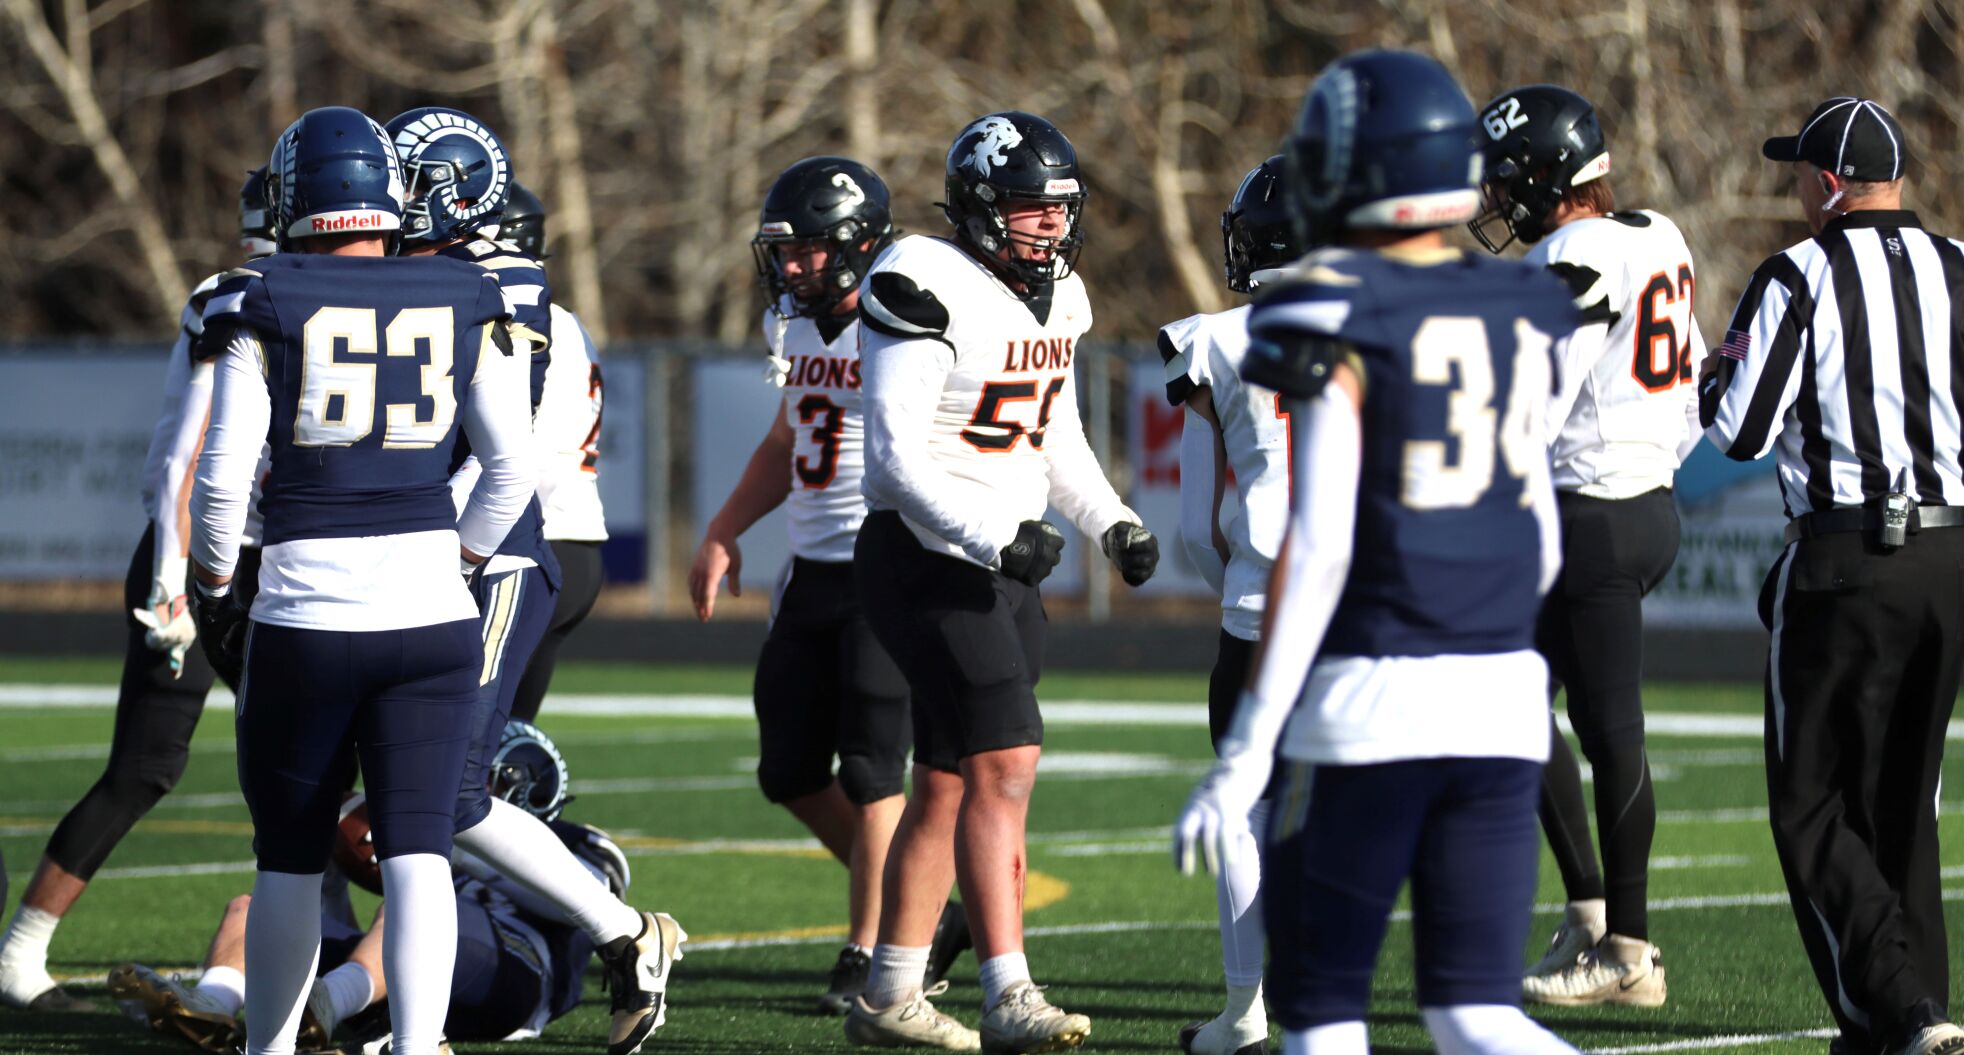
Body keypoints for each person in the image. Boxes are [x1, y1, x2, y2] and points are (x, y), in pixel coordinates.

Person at [1173, 49, 1584, 1055]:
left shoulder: (1323, 307)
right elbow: (1533, 522)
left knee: (1323, 1020)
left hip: (1372, 693)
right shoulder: (1521, 300)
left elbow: (1315, 545)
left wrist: (1244, 749)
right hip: (1501, 692)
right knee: (1474, 1013)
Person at [187, 105, 532, 1055]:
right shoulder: (469, 292)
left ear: (298, 197)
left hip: (305, 608)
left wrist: (214, 580)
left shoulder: (255, 295)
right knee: (420, 852)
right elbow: (512, 469)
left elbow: (221, 473)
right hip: (430, 611)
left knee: (290, 857)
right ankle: (415, 1049)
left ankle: (270, 1048)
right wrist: (455, 558)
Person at [846, 110, 1160, 1054]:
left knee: (945, 783)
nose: (1050, 228)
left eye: (1060, 209)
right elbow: (897, 461)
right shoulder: (921, 280)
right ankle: (1008, 989)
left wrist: (1109, 518)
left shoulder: (1060, 296)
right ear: (983, 207)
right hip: (928, 558)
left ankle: (889, 993)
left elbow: (1049, 428)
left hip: (1003, 564)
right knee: (1005, 763)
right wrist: (996, 536)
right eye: (1031, 209)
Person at [385, 105, 683, 1055]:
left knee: (452, 790)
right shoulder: (424, 282)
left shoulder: (508, 292)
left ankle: (612, 932)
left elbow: (505, 458)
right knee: (393, 792)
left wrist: (449, 547)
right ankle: (360, 999)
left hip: (497, 550)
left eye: (403, 188)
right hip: (426, 556)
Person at [1701, 96, 1964, 1055]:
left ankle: (1901, 1010)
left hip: (1848, 556)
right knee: (1906, 805)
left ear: (1824, 183)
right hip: (1951, 556)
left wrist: (1710, 375)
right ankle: (1905, 1025)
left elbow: (1738, 430)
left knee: (1810, 804)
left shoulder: (1799, 274)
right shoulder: (1956, 267)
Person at [0, 169, 276, 1013]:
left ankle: (298, 964)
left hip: (273, 563)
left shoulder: (318, 291)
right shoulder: (238, 298)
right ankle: (20, 955)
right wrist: (173, 584)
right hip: (209, 563)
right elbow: (185, 459)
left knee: (312, 767)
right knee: (151, 766)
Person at [1470, 83, 1706, 1006]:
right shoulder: (1659, 233)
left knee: (1608, 730)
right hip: (1643, 502)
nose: (1497, 196)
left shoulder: (1569, 255)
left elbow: (1539, 408)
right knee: (1514, 694)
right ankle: (1593, 912)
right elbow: (1684, 391)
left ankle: (1628, 950)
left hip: (1586, 516)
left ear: (1545, 174)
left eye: (1506, 177)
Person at [688, 155, 934, 1014]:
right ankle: (923, 898)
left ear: (862, 246)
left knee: (874, 770)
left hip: (888, 564)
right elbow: (786, 440)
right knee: (789, 768)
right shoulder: (789, 328)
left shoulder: (902, 320)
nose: (791, 269)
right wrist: (724, 529)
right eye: (784, 253)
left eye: (810, 252)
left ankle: (872, 943)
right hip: (808, 572)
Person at [107, 722, 632, 1055]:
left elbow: (594, 900)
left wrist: (460, 846)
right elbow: (345, 924)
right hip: (400, 976)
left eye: (481, 777)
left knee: (414, 908)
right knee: (253, 909)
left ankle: (324, 1007)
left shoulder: (573, 844)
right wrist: (332, 863)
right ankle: (212, 1006)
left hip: (517, 976)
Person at [1157, 155, 1301, 1055]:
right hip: (1379, 611)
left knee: (1246, 811)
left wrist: (1241, 593)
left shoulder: (1215, 342)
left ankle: (1245, 1013)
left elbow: (1193, 527)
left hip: (1260, 609)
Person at [496, 183, 609, 725]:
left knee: (468, 757)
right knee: (497, 752)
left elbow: (506, 454)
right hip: (570, 539)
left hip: (533, 543)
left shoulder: (525, 324)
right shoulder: (564, 320)